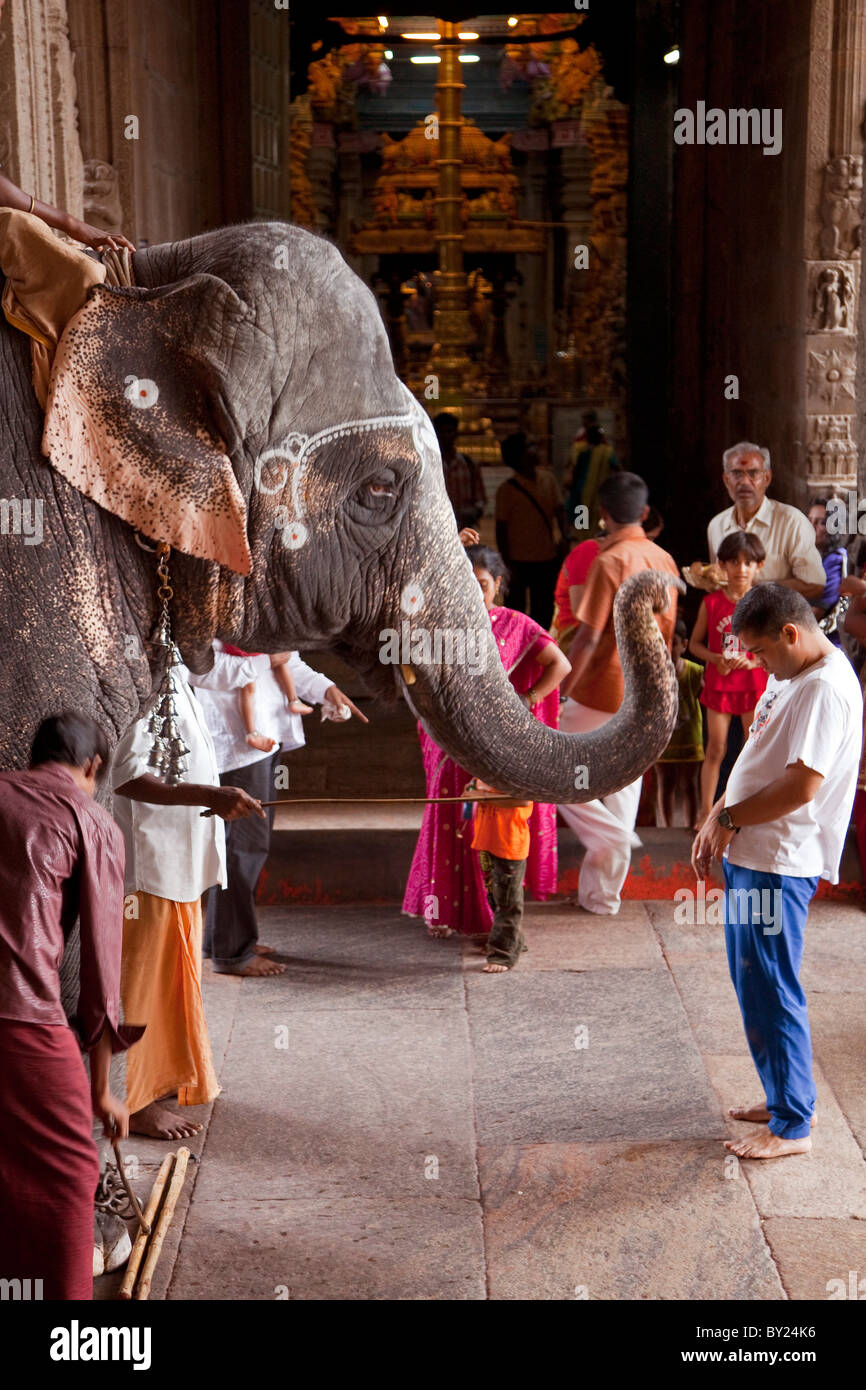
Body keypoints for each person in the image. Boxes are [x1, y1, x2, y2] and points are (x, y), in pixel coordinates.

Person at [692, 585, 862, 1160]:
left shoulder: (824, 690)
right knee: (752, 981)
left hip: (779, 861)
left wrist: (731, 819)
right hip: (751, 849)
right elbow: (756, 751)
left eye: (760, 652)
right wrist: (717, 813)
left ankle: (793, 1125)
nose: (756, 664)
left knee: (772, 983)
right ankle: (782, 1094)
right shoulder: (790, 674)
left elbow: (801, 785)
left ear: (791, 633)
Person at [0, 713, 141, 1300]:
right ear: (92, 769)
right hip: (22, 1017)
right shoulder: (95, 822)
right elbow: (103, 976)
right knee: (69, 1175)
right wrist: (100, 1090)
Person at [112, 648, 267, 1140]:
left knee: (172, 977)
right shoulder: (144, 677)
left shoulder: (179, 670)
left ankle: (163, 1078)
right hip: (151, 861)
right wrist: (209, 796)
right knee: (140, 982)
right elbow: (127, 774)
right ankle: (128, 1099)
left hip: (180, 853)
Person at [403, 543, 570, 939]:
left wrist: (527, 699)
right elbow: (411, 669)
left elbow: (559, 664)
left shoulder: (517, 624)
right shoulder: (438, 623)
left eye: (482, 583)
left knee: (492, 823)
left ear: (498, 583)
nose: (475, 592)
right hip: (448, 740)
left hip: (496, 745)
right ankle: (442, 909)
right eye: (466, 583)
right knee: (449, 817)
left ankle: (492, 917)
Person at [195, 649, 363, 976]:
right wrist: (264, 662)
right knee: (242, 849)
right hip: (236, 746)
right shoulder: (216, 614)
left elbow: (289, 662)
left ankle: (223, 939)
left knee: (247, 846)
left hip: (267, 741)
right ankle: (232, 952)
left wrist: (326, 689)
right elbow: (203, 671)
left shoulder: (265, 616)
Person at [558, 471, 680, 914]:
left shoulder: (608, 563)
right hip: (647, 689)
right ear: (645, 514)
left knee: (554, 769)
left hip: (600, 688)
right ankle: (602, 896)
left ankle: (609, 835)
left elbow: (588, 638)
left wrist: (564, 688)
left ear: (603, 514)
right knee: (624, 788)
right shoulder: (664, 560)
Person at [689, 531, 768, 826]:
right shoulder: (711, 604)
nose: (741, 569)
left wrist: (752, 662)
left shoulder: (763, 602)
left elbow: (775, 647)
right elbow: (693, 645)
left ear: (759, 565)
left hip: (752, 683)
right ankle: (704, 814)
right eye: (734, 562)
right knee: (715, 749)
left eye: (749, 562)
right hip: (719, 684)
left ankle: (748, 812)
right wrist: (716, 659)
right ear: (722, 565)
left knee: (752, 749)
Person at [705, 442, 825, 598]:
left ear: (767, 478)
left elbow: (814, 585)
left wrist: (756, 589)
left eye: (753, 474)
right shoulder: (717, 525)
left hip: (776, 619)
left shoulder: (791, 522)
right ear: (726, 479)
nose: (745, 482)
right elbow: (718, 582)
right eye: (737, 474)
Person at [495, 433, 567, 627]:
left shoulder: (549, 480)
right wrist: (505, 563)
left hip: (546, 557)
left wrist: (565, 539)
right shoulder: (506, 490)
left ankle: (538, 648)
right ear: (519, 455)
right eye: (530, 447)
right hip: (518, 561)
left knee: (543, 609)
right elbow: (501, 529)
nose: (536, 450)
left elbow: (560, 512)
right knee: (515, 610)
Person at [469, 777, 534, 973]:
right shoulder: (482, 772)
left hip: (508, 844)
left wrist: (483, 797)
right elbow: (469, 791)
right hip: (487, 841)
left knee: (508, 901)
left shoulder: (517, 772)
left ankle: (503, 955)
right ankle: (515, 940)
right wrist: (477, 794)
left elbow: (522, 800)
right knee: (495, 897)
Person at [654, 619, 704, 828]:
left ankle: (690, 826)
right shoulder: (653, 673)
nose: (668, 648)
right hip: (662, 738)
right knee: (665, 783)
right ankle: (667, 827)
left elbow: (704, 696)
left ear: (684, 645)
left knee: (690, 784)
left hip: (690, 736)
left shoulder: (696, 672)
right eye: (663, 642)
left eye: (672, 643)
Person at [222, 643, 312, 752]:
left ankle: (252, 733)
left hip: (242, 644)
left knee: (248, 687)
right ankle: (294, 701)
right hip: (249, 643)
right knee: (280, 661)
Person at [564, 420, 620, 534]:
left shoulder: (583, 451)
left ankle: (583, 543)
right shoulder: (607, 452)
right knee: (598, 527)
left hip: (583, 495)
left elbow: (574, 471)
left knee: (582, 528)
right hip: (599, 496)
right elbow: (617, 469)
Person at [434, 412, 486, 530]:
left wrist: (472, 512)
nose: (446, 436)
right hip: (437, 528)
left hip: (465, 529)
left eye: (449, 431)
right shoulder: (429, 465)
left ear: (456, 434)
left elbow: (480, 500)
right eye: (441, 432)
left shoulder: (469, 465)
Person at [807, 496, 848, 645]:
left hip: (827, 643)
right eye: (810, 520)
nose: (812, 527)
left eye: (821, 523)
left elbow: (815, 614)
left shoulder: (834, 561)